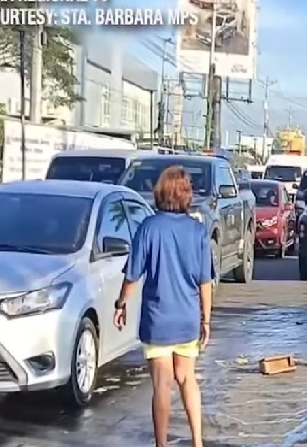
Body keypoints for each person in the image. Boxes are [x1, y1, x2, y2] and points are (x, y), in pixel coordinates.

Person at [114, 166, 215, 447]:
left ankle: (162, 444)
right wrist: (206, 319)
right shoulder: (197, 231)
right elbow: (204, 280)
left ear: (160, 192)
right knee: (187, 379)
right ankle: (197, 442)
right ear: (185, 194)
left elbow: (133, 275)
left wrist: (121, 304)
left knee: (162, 384)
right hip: (187, 320)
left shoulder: (148, 227)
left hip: (157, 320)